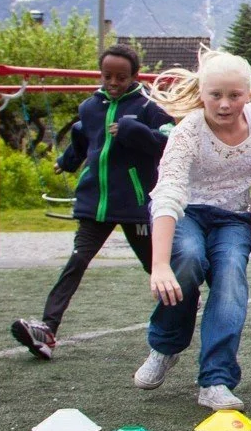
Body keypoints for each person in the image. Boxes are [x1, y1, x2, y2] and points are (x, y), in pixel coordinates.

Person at [132, 50, 251, 410]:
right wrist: (160, 265)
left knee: (230, 281)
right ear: (202, 94)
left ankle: (215, 379)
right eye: (216, 95)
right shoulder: (188, 132)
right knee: (187, 261)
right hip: (188, 212)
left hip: (233, 217)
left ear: (249, 93)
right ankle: (165, 347)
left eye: (235, 95)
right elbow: (167, 193)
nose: (225, 104)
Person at [11, 45, 174, 360]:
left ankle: (182, 305)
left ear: (134, 77)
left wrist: (133, 131)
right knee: (76, 261)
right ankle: (47, 328)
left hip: (135, 203)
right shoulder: (90, 107)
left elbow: (170, 142)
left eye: (121, 77)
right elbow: (83, 137)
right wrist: (67, 161)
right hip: (95, 204)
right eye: (108, 76)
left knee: (155, 265)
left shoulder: (149, 107)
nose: (114, 82)